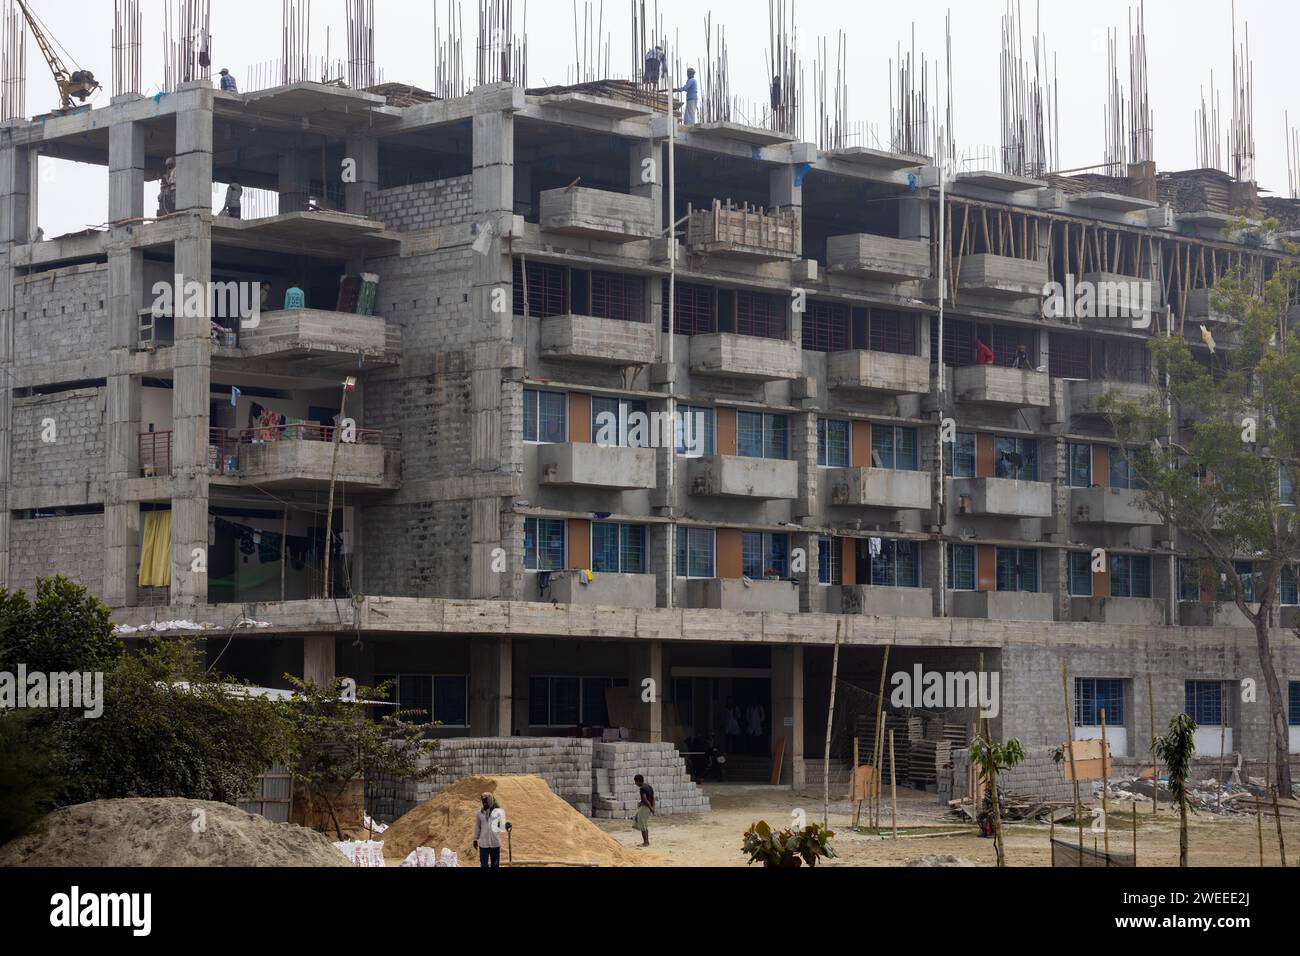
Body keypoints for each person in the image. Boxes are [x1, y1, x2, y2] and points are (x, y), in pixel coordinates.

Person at [471, 791, 510, 867]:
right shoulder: (480, 813)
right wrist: (475, 839)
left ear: (490, 800)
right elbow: (477, 827)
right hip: (483, 844)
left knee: (495, 865)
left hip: (495, 844)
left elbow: (502, 826)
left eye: (486, 801)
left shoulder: (499, 812)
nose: (484, 803)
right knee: (484, 865)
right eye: (483, 801)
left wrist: (506, 825)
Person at [632, 774, 655, 847]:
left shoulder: (642, 788)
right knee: (641, 822)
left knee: (642, 824)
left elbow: (645, 799)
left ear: (638, 781)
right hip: (647, 806)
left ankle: (646, 842)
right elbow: (652, 798)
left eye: (635, 782)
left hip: (645, 807)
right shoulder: (648, 786)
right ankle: (646, 841)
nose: (635, 783)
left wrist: (651, 808)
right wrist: (653, 807)